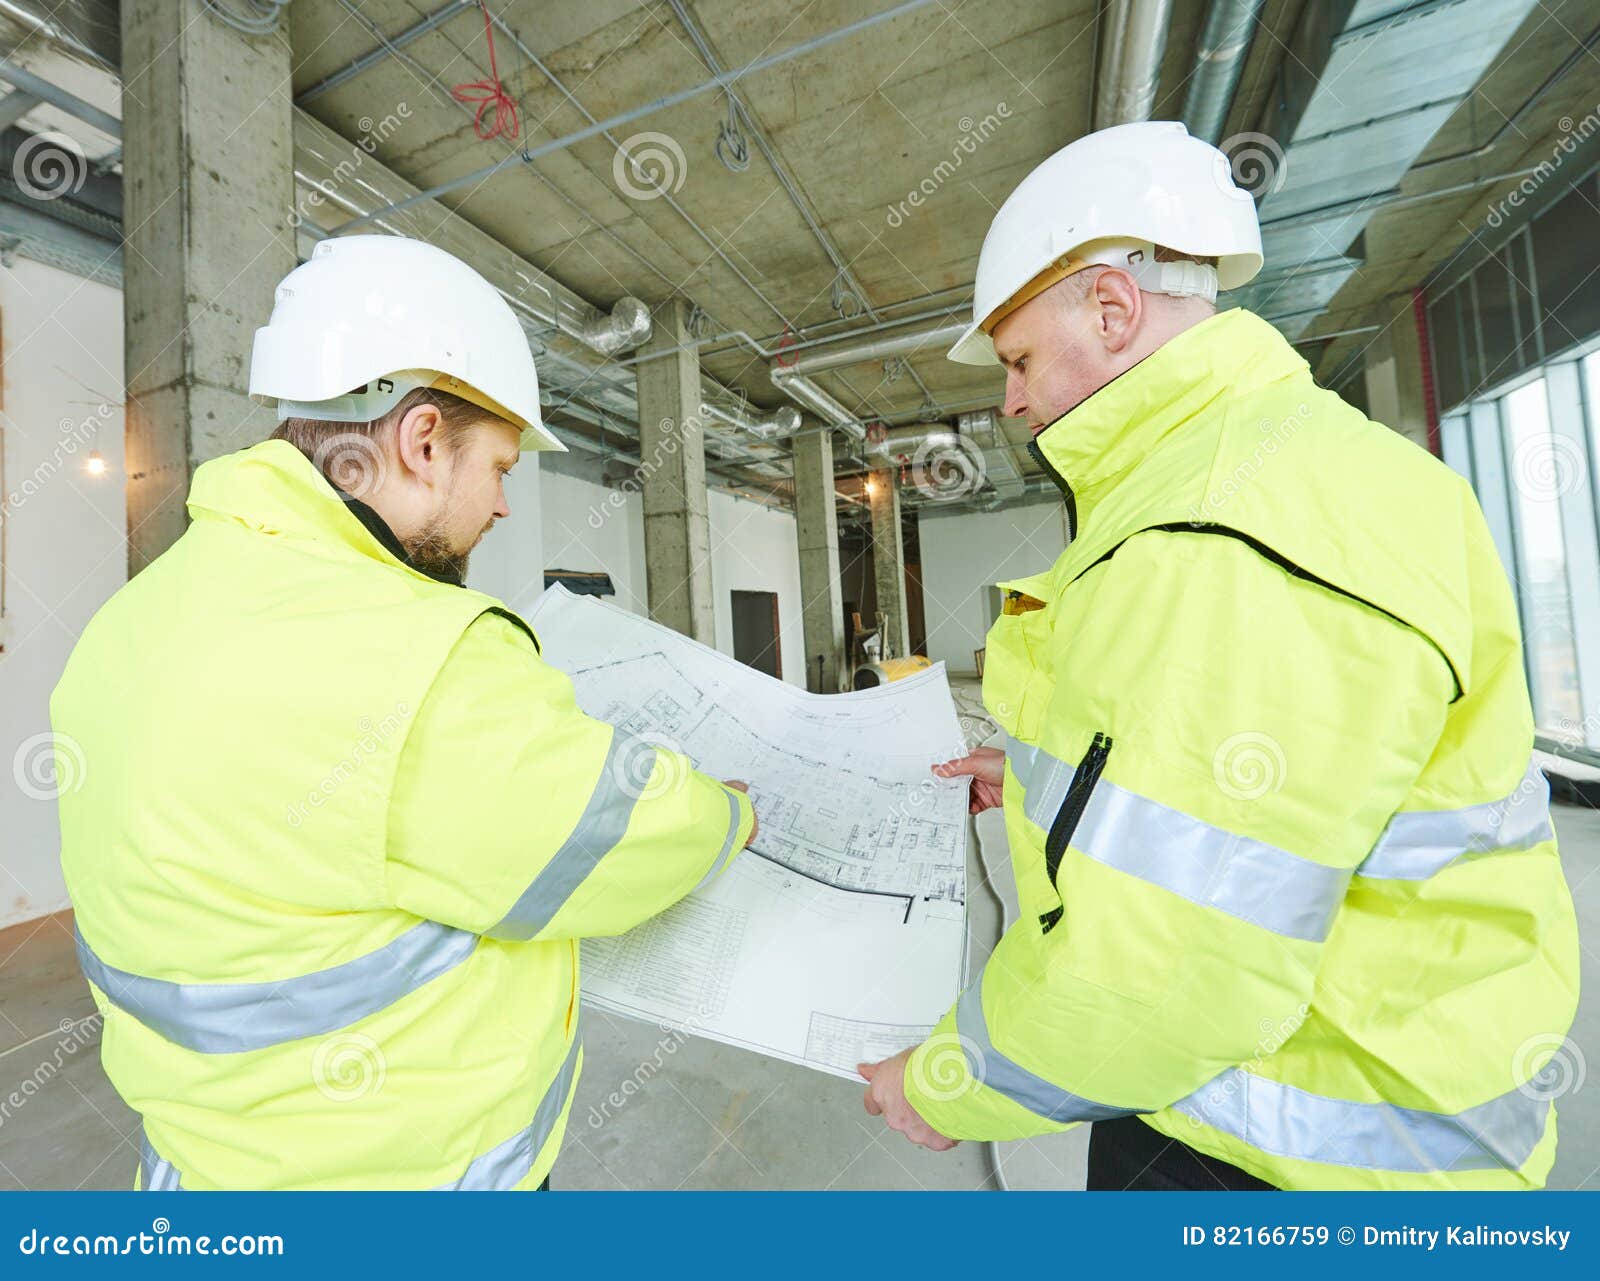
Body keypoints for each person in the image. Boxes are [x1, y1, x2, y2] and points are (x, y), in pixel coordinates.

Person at [857, 121, 1578, 1190]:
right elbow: (1267, 810)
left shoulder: (1216, 529)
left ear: (1111, 308)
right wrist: (1051, 786)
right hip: (1386, 1122)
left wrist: (945, 1082)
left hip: (1287, 1159)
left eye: (1017, 359)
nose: (1009, 400)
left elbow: (1162, 975)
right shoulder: (1323, 470)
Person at [51, 234, 756, 1190]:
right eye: (500, 467)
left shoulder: (124, 624)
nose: (502, 507)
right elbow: (623, 834)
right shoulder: (421, 656)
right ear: (423, 441)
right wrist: (729, 811)